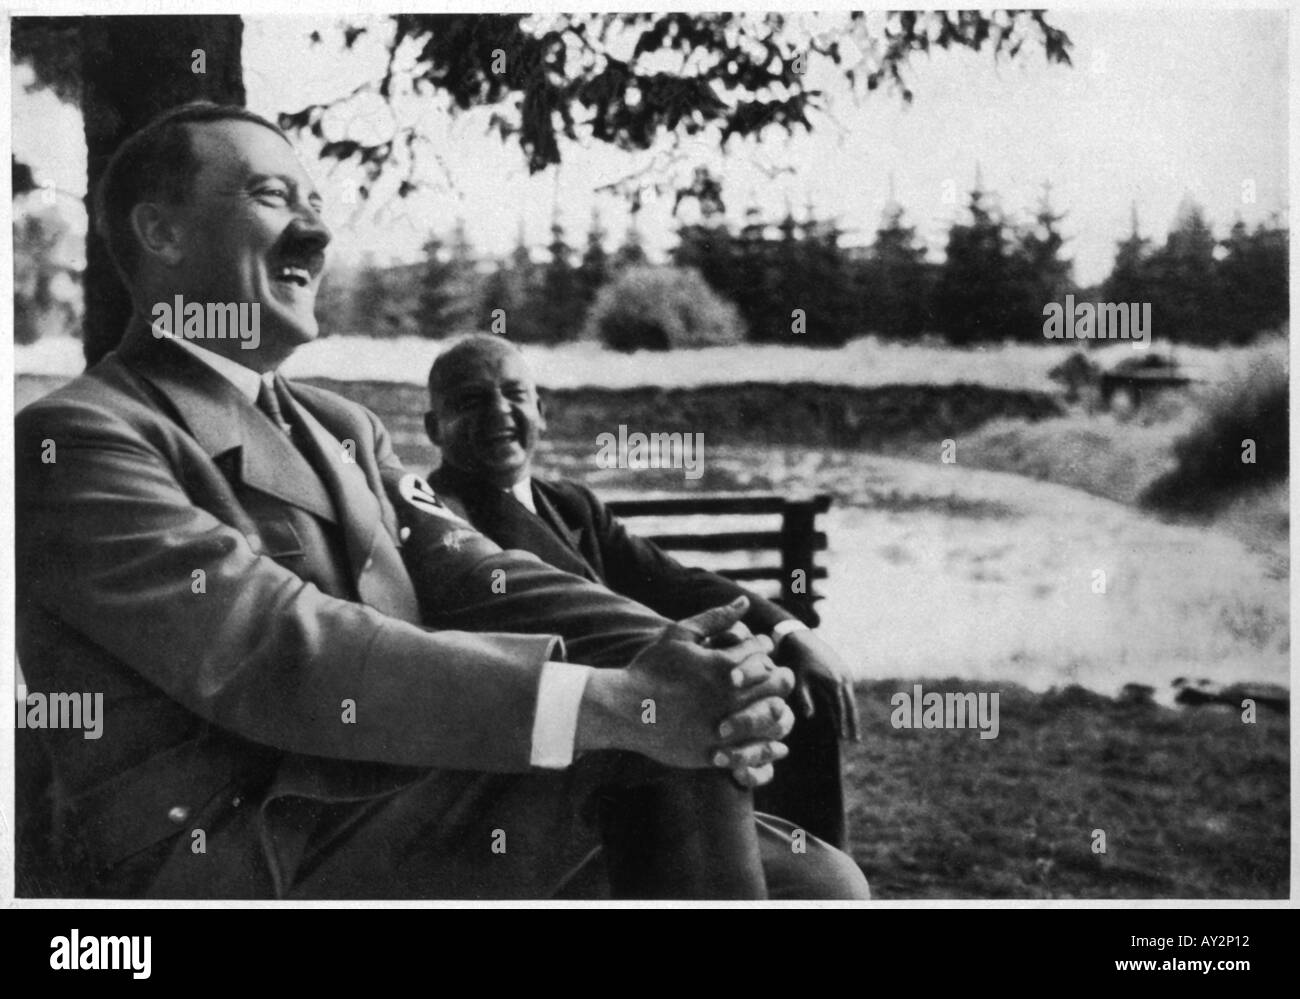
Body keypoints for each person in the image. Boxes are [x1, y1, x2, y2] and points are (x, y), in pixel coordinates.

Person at [14, 102, 869, 900]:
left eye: (316, 200)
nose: (317, 229)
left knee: (822, 882)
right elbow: (280, 650)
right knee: (657, 755)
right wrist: (622, 701)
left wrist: (689, 657)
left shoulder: (341, 425)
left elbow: (488, 573)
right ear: (160, 231)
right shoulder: (79, 438)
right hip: (236, 844)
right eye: (273, 198)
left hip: (380, 793)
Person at [423, 335, 860, 847]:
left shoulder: (568, 502)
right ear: (435, 428)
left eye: (514, 394)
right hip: (576, 727)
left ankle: (805, 866)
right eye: (472, 400)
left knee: (801, 691)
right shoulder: (443, 515)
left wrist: (789, 632)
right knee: (732, 699)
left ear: (540, 412)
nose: (499, 411)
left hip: (646, 700)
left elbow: (673, 581)